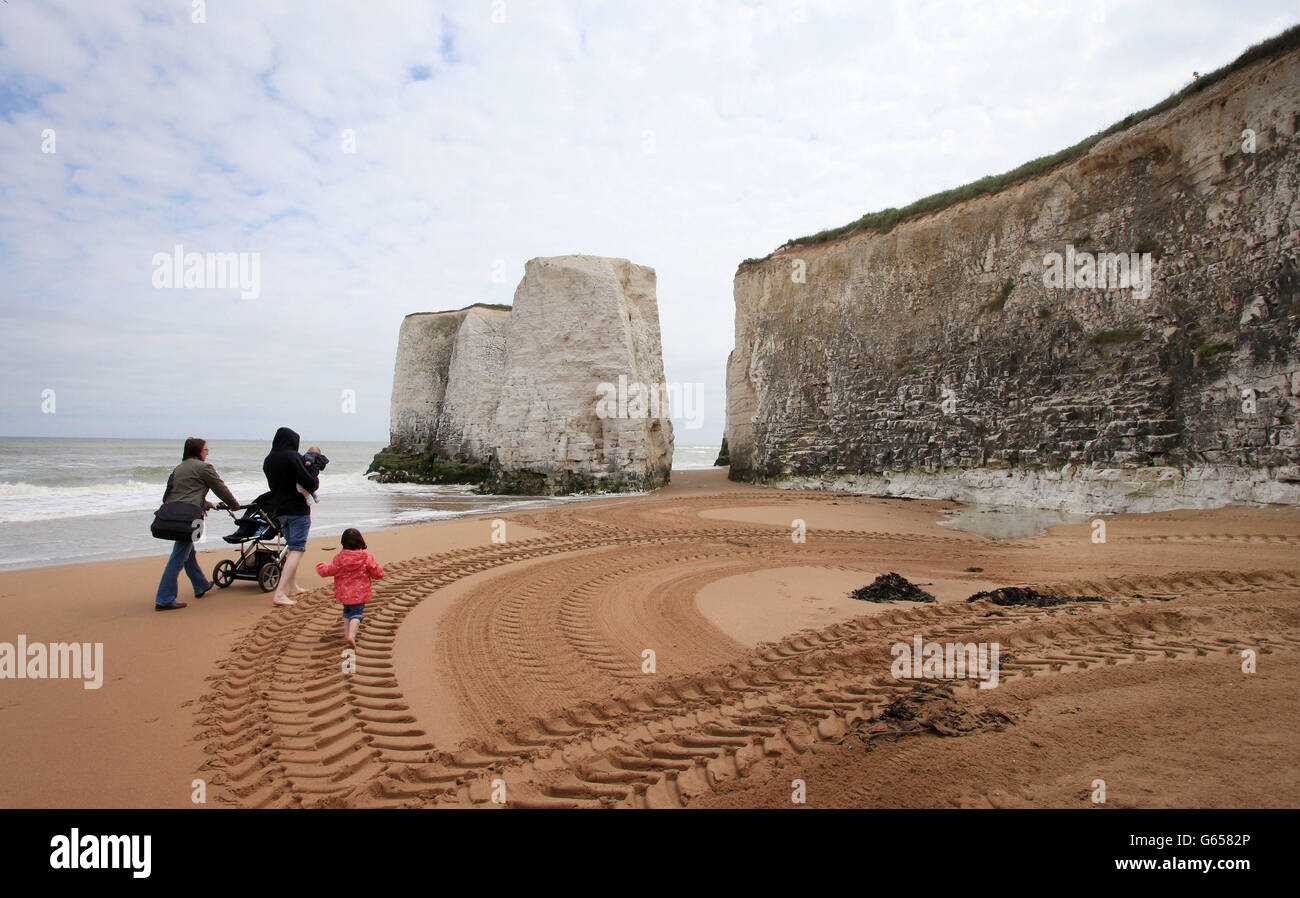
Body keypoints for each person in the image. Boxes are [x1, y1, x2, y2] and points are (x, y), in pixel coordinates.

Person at [155, 438, 240, 611]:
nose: (207, 453)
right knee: (179, 555)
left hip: (174, 515)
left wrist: (206, 503)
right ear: (199, 451)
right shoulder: (204, 468)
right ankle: (164, 598)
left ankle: (200, 584)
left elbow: (173, 494)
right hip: (192, 519)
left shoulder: (179, 468)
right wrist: (234, 505)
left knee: (187, 550)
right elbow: (220, 487)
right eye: (206, 450)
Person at [262, 426, 318, 606]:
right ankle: (279, 593)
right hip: (297, 508)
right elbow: (309, 483)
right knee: (297, 549)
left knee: (291, 546)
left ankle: (293, 587)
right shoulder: (293, 457)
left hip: (279, 509)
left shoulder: (269, 460)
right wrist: (314, 471)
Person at [315, 528, 384, 646]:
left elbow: (330, 570)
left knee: (347, 613)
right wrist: (380, 573)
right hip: (359, 593)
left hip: (344, 593)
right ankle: (351, 635)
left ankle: (347, 634)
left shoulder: (339, 558)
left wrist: (320, 567)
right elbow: (375, 571)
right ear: (360, 541)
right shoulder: (366, 557)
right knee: (357, 614)